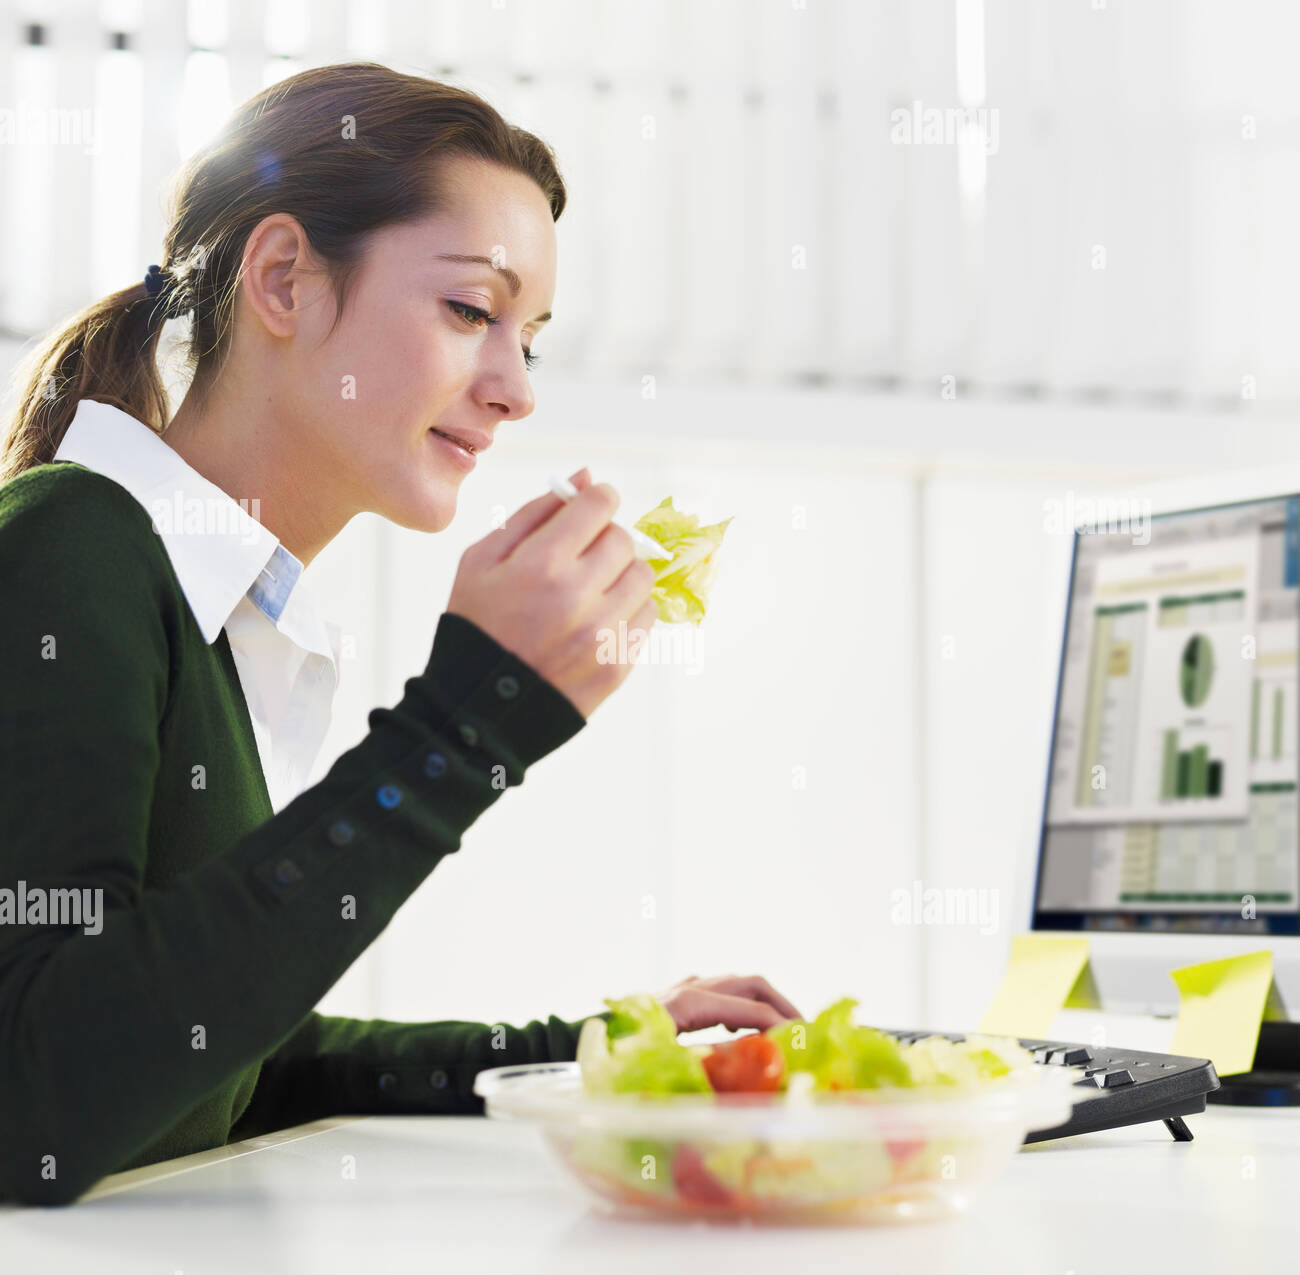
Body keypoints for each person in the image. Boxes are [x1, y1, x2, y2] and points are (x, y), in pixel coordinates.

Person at [0, 62, 800, 1207]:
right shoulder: (70, 545)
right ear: (284, 278)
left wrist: (594, 1049)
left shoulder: (216, 611)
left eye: (532, 337)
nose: (516, 388)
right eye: (473, 310)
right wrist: (468, 722)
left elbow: (220, 1063)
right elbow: (34, 1095)